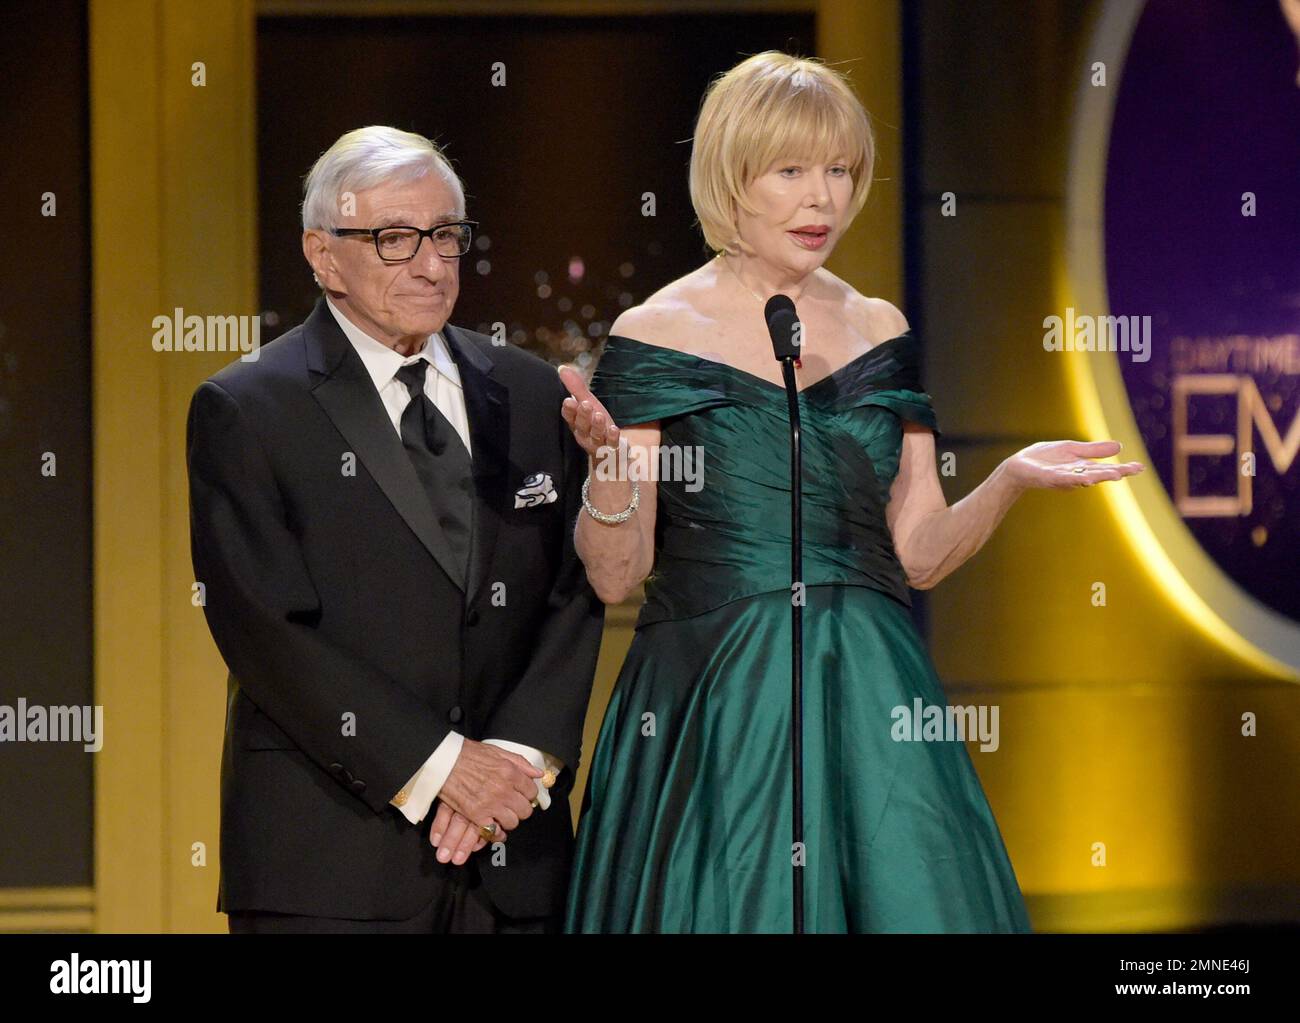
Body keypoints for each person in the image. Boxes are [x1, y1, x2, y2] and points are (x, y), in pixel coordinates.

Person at [558, 53, 1143, 933]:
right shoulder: (656, 332)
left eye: (839, 171)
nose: (821, 199)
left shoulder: (879, 326)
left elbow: (920, 553)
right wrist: (607, 471)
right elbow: (615, 576)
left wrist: (1010, 480)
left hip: (871, 695)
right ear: (732, 176)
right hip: (716, 703)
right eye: (791, 171)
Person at [186, 125, 603, 933]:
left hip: (514, 857)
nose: (430, 262)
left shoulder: (528, 390)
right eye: (393, 238)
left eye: (446, 235)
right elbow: (264, 626)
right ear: (322, 252)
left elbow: (572, 587)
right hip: (329, 862)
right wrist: (444, 767)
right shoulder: (249, 406)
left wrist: (513, 764)